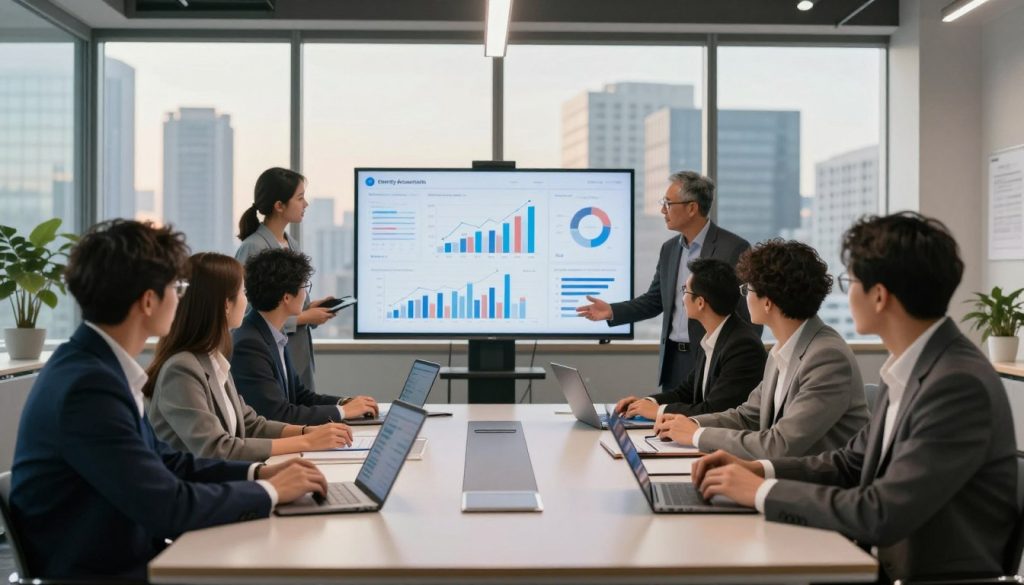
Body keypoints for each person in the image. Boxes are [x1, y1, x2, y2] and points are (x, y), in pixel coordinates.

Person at [691, 213, 1017, 584]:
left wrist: (762, 492)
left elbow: (881, 513)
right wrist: (761, 470)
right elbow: (849, 463)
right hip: (874, 560)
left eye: (852, 281)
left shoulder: (956, 384)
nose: (846, 294)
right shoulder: (914, 366)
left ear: (879, 296)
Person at [8, 220, 328, 580]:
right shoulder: (88, 387)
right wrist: (269, 492)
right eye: (176, 287)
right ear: (148, 301)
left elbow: (167, 461)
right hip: (105, 571)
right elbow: (166, 505)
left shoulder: (95, 365)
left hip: (128, 554)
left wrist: (259, 472)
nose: (181, 297)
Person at [653, 239, 869, 458]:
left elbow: (779, 444)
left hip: (819, 486)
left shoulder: (826, 357)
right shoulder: (783, 349)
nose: (744, 296)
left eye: (748, 288)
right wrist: (691, 423)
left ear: (768, 302)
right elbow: (747, 416)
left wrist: (697, 435)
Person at [146, 252, 355, 461]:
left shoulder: (212, 359)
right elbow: (218, 448)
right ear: (226, 305)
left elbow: (251, 424)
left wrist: (305, 432)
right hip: (198, 489)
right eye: (242, 292)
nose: (247, 301)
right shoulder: (182, 369)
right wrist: (307, 442)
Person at [576, 171, 756, 390]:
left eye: (668, 203)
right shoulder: (669, 249)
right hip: (673, 359)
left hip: (714, 357)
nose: (663, 210)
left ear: (692, 208)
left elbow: (746, 316)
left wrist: (736, 363)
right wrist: (612, 311)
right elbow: (654, 301)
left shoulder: (733, 248)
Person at [232, 248, 378, 425]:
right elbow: (277, 414)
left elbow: (300, 395)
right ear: (286, 297)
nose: (306, 295)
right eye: (304, 287)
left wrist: (344, 403)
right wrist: (344, 412)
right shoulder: (250, 344)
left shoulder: (272, 333)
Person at [614, 258, 766, 420]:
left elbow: (714, 411)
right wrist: (646, 403)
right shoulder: (713, 336)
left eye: (685, 291)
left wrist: (658, 412)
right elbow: (685, 392)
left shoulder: (742, 346)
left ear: (700, 303)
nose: (682, 299)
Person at [237, 167, 334, 392]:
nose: (305, 204)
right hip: (270, 357)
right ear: (279, 205)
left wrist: (311, 309)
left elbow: (289, 302)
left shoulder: (291, 243)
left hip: (296, 355)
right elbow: (246, 313)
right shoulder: (253, 247)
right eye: (300, 198)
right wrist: (302, 318)